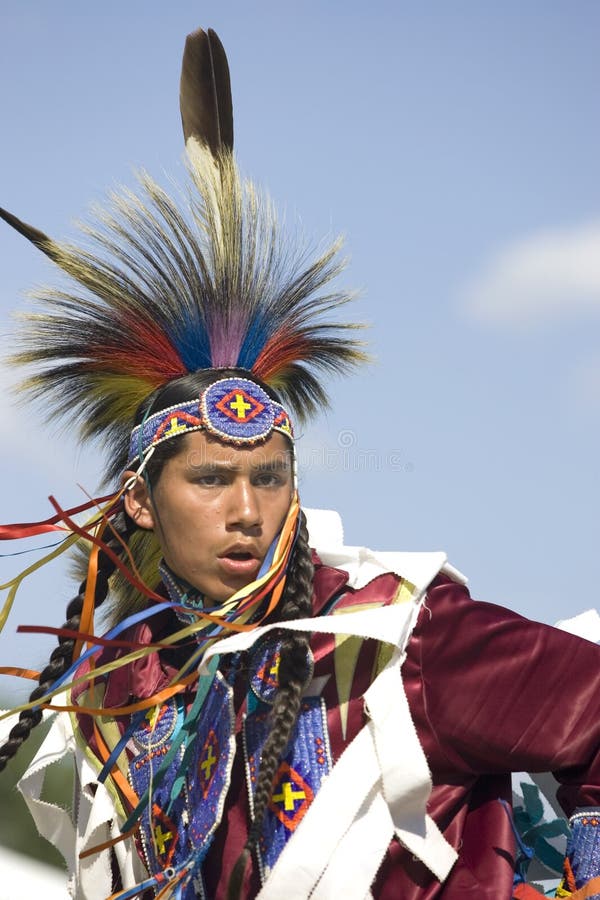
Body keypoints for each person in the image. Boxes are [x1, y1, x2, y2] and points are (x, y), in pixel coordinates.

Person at [0, 25, 599, 900]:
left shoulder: (398, 641)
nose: (248, 508)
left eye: (269, 477)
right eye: (209, 479)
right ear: (138, 500)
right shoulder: (125, 692)